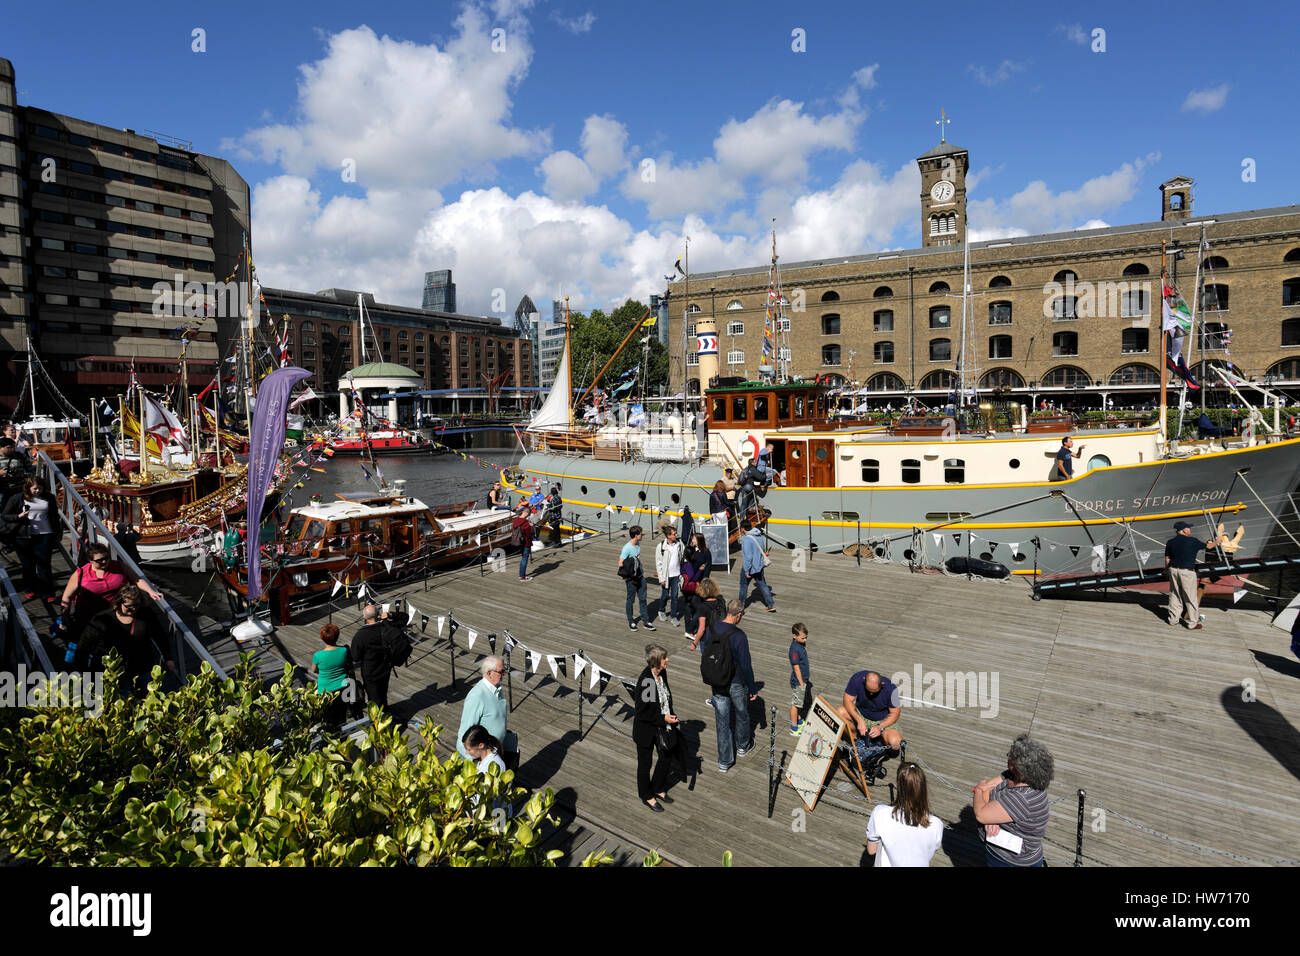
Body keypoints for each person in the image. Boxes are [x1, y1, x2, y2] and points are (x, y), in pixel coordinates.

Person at [58, 542, 163, 651]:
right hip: (89, 618)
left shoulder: (118, 566)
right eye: (99, 560)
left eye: (106, 558)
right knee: (90, 647)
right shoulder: (80, 574)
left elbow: (136, 579)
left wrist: (151, 591)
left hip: (115, 615)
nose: (104, 562)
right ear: (90, 560)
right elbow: (66, 597)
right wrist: (65, 619)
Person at [75, 584, 176, 696]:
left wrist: (168, 657)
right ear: (119, 603)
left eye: (136, 605)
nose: (133, 609)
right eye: (129, 606)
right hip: (113, 672)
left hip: (142, 667)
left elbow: (159, 636)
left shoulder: (146, 614)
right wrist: (84, 673)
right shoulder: (102, 619)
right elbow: (84, 645)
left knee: (146, 697)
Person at [973, 734, 1055, 867]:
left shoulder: (1023, 798)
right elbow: (989, 786)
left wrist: (978, 789)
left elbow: (980, 814)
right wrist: (992, 816)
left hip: (1010, 860)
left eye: (1009, 756)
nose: (1008, 757)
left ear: (1017, 767)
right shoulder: (1013, 777)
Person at [705, 599, 757, 773]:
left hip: (717, 680)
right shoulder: (739, 636)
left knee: (722, 721)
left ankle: (724, 761)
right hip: (736, 682)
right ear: (739, 615)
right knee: (742, 714)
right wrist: (752, 687)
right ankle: (743, 745)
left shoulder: (711, 629)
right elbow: (745, 664)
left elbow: (706, 652)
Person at [866, 762, 944, 867]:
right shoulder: (936, 824)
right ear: (923, 787)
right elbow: (928, 854)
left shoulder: (880, 813)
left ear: (897, 785)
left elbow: (871, 850)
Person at [633, 643, 680, 812]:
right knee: (645, 764)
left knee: (666, 757)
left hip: (663, 725)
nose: (668, 660)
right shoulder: (647, 681)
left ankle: (658, 787)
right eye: (664, 658)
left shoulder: (662, 673)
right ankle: (646, 795)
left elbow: (666, 699)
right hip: (646, 730)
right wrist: (663, 718)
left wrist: (670, 717)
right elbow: (642, 713)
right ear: (655, 661)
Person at [1165, 520, 1229, 629]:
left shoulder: (1170, 542)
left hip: (1173, 570)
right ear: (1184, 530)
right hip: (1187, 572)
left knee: (1174, 595)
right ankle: (1192, 623)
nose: (1190, 529)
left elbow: (1167, 559)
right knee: (1190, 597)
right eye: (1188, 528)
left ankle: (1173, 619)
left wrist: (1167, 571)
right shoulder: (1192, 541)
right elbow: (1208, 546)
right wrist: (1217, 541)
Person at [2, 478, 58, 600]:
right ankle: (29, 588)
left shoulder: (49, 498)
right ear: (28, 488)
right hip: (23, 535)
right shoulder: (17, 498)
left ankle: (48, 592)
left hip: (45, 534)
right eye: (35, 488)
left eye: (40, 488)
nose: (37, 491)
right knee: (28, 565)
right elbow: (5, 515)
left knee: (44, 564)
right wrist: (19, 516)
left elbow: (54, 515)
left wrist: (57, 534)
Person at [350, 603, 401, 711]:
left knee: (374, 699)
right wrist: (390, 615)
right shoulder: (386, 627)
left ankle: (379, 722)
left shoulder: (360, 635)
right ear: (378, 615)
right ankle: (385, 711)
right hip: (385, 667)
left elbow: (355, 657)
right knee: (383, 693)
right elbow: (404, 617)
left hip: (371, 671)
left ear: (364, 618)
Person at [457, 656, 509, 759]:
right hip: (479, 758)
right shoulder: (477, 696)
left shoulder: (497, 689)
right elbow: (466, 730)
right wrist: (471, 760)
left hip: (493, 751)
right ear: (489, 673)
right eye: (501, 672)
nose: (504, 674)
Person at [837, 670, 903, 751]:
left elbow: (895, 713)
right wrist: (859, 720)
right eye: (868, 691)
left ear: (882, 684)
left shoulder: (891, 688)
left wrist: (880, 726)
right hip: (861, 714)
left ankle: (881, 742)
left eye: (874, 692)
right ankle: (854, 740)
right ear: (864, 680)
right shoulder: (857, 678)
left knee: (895, 743)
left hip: (882, 720)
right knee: (840, 712)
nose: (871, 694)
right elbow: (847, 700)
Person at [309, 622, 355, 725]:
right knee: (341, 716)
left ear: (322, 638)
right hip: (342, 687)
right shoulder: (344, 650)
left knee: (327, 718)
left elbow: (314, 670)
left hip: (325, 691)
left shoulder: (318, 656)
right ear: (337, 636)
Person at [618, 525, 655, 631]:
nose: (642, 536)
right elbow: (620, 563)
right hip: (631, 579)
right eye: (641, 534)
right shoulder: (627, 548)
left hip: (640, 576)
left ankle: (646, 621)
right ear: (636, 535)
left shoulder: (638, 544)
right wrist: (632, 560)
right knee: (631, 599)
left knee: (643, 599)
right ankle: (631, 621)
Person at [739, 519, 776, 612]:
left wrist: (747, 571)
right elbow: (762, 550)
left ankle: (740, 607)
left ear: (743, 528)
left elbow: (748, 557)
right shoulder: (759, 536)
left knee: (743, 585)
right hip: (759, 566)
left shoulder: (747, 539)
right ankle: (771, 605)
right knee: (763, 585)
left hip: (750, 567)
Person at [654, 526, 684, 625]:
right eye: (674, 534)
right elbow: (658, 563)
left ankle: (673, 616)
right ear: (668, 535)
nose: (676, 535)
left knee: (675, 596)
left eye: (675, 533)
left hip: (676, 575)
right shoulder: (661, 546)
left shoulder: (679, 544)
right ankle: (661, 610)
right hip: (666, 576)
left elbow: (683, 556)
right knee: (665, 595)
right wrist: (661, 578)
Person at [788, 622, 811, 735]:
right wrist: (801, 683)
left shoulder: (800, 644)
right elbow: (796, 668)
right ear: (794, 636)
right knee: (795, 704)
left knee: (799, 702)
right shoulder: (794, 650)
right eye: (803, 638)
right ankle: (794, 728)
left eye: (806, 637)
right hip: (798, 681)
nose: (805, 640)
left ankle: (799, 720)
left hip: (803, 680)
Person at [512, 501, 535, 582]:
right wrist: (531, 526)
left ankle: (521, 575)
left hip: (518, 542)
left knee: (522, 558)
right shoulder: (526, 523)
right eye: (528, 514)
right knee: (524, 559)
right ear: (527, 513)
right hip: (525, 543)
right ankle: (522, 577)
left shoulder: (515, 520)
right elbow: (528, 535)